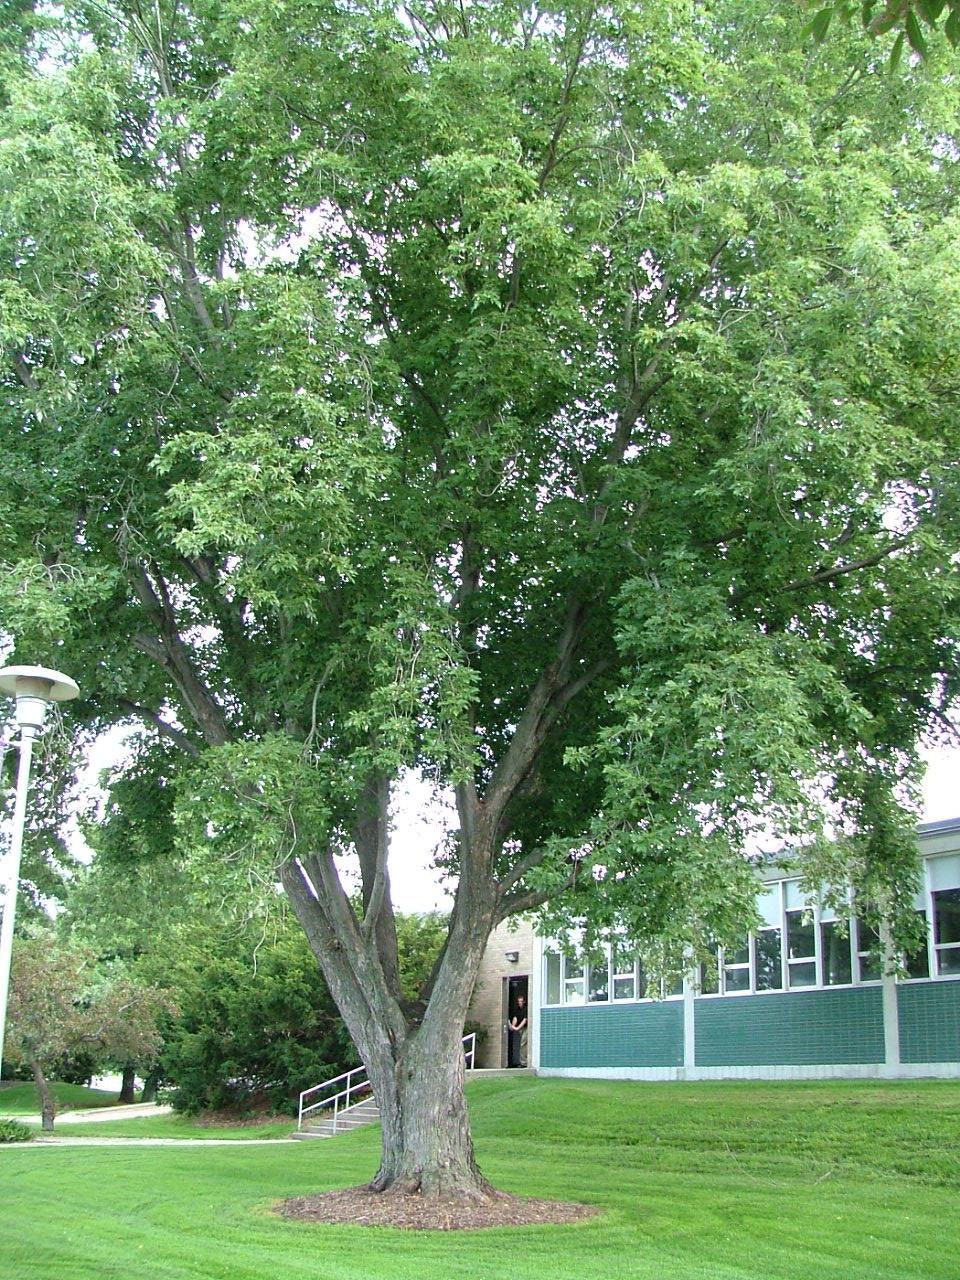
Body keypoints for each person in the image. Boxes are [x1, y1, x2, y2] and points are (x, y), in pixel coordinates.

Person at [508, 995, 528, 1068]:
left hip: (526, 1028)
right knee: (522, 1044)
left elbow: (524, 1020)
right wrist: (512, 1026)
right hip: (521, 1029)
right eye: (519, 1001)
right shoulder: (517, 1010)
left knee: (523, 1044)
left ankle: (524, 1063)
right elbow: (515, 1018)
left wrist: (517, 1028)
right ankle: (523, 1062)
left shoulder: (526, 1009)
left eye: (521, 1001)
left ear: (524, 1002)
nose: (520, 1003)